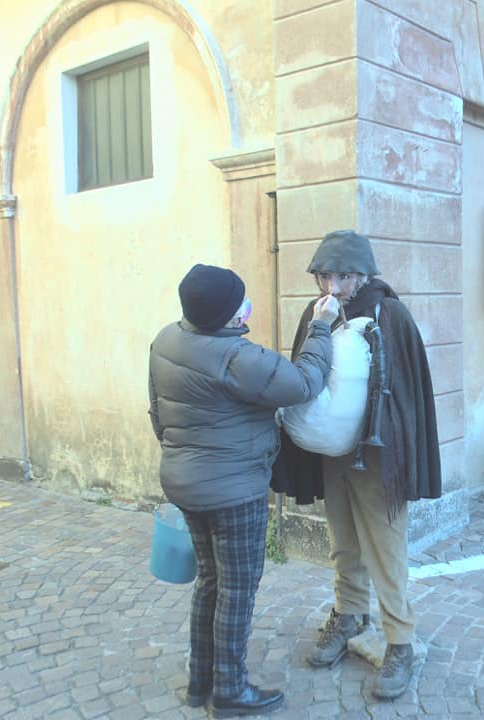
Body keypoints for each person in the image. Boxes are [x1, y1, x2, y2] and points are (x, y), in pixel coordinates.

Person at [148, 263, 339, 717]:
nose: (245, 308)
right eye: (241, 303)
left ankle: (201, 681)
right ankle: (230, 691)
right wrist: (321, 326)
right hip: (234, 492)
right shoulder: (239, 358)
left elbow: (157, 414)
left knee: (210, 580)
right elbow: (304, 383)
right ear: (229, 316)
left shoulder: (165, 340)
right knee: (237, 587)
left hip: (185, 483)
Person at [271, 230, 442, 700]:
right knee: (343, 541)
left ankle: (400, 641)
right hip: (334, 453)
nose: (333, 286)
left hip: (379, 456)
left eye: (343, 276)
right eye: (325, 275)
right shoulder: (315, 313)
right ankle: (348, 614)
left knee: (386, 549)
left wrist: (395, 452)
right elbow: (305, 375)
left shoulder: (390, 314)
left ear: (363, 274)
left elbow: (408, 394)